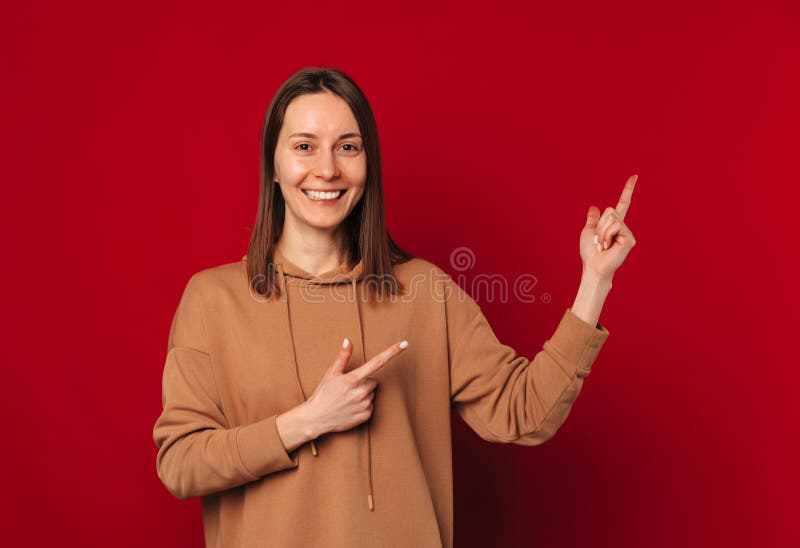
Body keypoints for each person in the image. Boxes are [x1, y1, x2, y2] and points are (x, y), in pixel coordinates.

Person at [152, 67, 637, 548]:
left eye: (348, 146)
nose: (327, 169)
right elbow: (181, 463)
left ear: (368, 164)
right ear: (273, 167)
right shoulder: (212, 300)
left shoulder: (424, 291)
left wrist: (595, 279)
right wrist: (309, 420)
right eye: (304, 147)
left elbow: (525, 413)